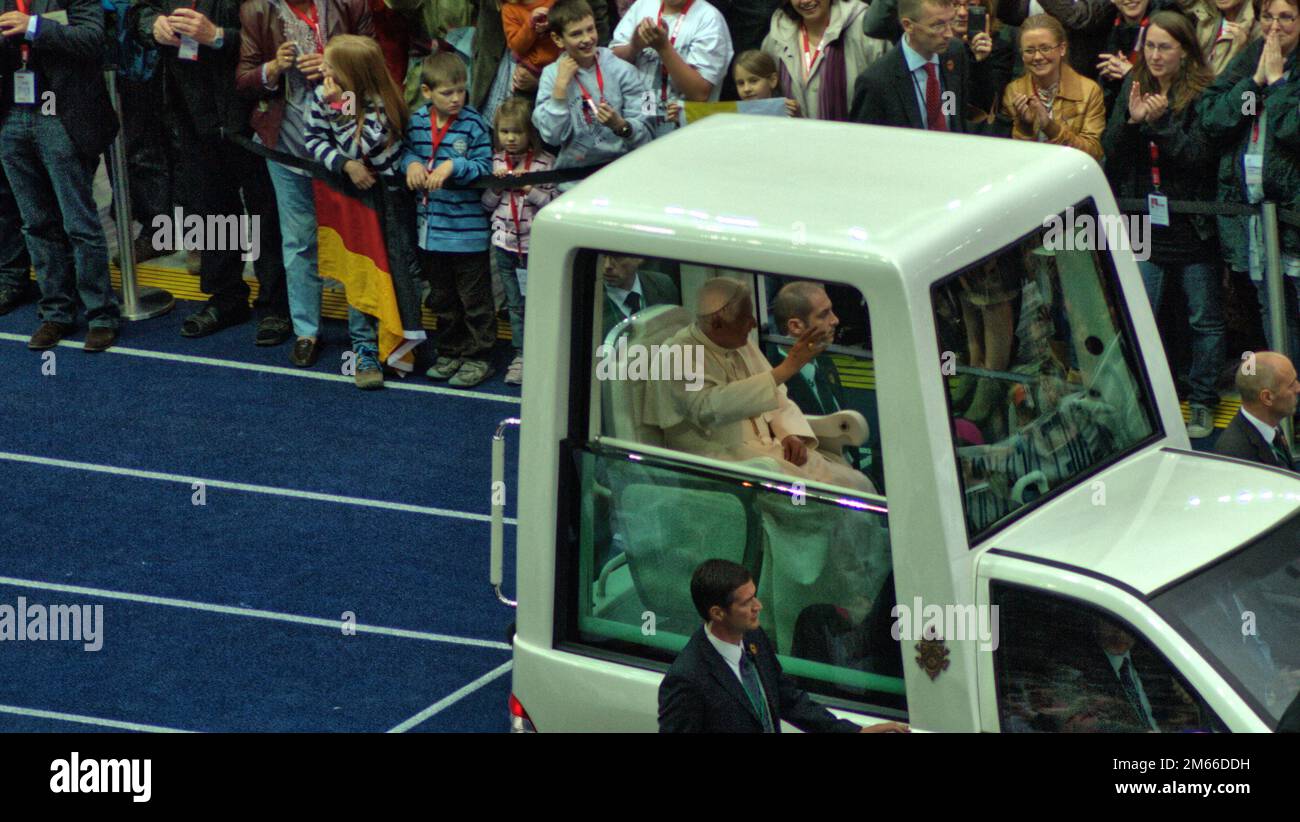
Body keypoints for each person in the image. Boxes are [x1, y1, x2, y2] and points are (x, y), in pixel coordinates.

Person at [140, 0, 293, 346]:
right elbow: (138, 10)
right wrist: (153, 25)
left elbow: (283, 37)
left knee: (265, 211)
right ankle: (226, 298)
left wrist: (220, 37)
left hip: (254, 110)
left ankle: (276, 304)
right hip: (190, 109)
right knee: (211, 210)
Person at [1102, 10, 1221, 438]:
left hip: (1192, 224)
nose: (1154, 55)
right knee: (1143, 314)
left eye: (1164, 47)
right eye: (1149, 45)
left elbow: (1197, 158)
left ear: (1185, 51)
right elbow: (1109, 154)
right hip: (1144, 223)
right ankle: (1150, 395)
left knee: (1203, 318)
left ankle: (1204, 399)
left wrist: (1163, 124)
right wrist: (1134, 123)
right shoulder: (1134, 86)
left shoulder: (1204, 94)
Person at [237, 0, 374, 367]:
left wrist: (336, 72)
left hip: (344, 145)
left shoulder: (350, 4)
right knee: (298, 241)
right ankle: (306, 331)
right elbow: (244, 79)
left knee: (352, 242)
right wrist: (273, 68)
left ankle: (363, 336)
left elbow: (376, 72)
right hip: (286, 145)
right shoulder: (257, 10)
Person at [645, 278, 877, 493]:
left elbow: (776, 395)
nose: (754, 323)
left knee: (859, 484)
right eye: (745, 318)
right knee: (822, 502)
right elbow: (709, 408)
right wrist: (786, 369)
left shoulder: (735, 339)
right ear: (717, 324)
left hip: (775, 449)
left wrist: (788, 434)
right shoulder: (678, 354)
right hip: (732, 463)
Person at [658, 558, 910, 733]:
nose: (758, 606)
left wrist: (854, 731)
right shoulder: (687, 679)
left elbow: (789, 699)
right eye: (746, 603)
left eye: (755, 595)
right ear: (718, 613)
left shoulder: (755, 640)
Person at [0, 0, 122, 352]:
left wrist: (33, 27)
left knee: (79, 223)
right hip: (11, 115)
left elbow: (91, 39)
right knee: (35, 223)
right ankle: (55, 312)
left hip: (60, 113)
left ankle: (101, 314)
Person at [303, 34, 409, 389]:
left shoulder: (382, 102)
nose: (324, 70)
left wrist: (342, 112)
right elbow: (313, 141)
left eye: (331, 65)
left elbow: (363, 145)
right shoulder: (321, 96)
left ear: (352, 73)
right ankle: (364, 350)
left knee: (396, 271)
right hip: (352, 198)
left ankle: (397, 344)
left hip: (390, 201)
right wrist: (347, 167)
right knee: (359, 272)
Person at [1198, 0, 1300, 360]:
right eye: (1267, 17)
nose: (1275, 26)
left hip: (1292, 217)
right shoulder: (1255, 54)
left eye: (1286, 17)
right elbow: (1215, 119)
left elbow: (1291, 129)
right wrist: (1254, 83)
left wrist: (1276, 83)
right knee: (1274, 316)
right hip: (1255, 218)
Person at [403, 52, 497, 387]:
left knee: (475, 302)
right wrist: (411, 164)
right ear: (427, 92)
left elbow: (486, 167)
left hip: (467, 233)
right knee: (442, 299)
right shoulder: (415, 121)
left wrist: (454, 166)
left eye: (461, 90)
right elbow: (408, 152)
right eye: (447, 92)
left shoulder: (473, 124)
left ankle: (479, 356)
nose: (456, 98)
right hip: (431, 231)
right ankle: (451, 351)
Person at [482, 97, 557, 385]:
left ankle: (544, 354)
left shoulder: (546, 163)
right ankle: (521, 356)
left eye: (517, 132)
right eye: (504, 132)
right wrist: (498, 186)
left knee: (541, 303)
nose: (511, 139)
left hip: (536, 247)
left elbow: (553, 204)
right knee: (514, 305)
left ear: (531, 133)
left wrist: (529, 189)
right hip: (504, 246)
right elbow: (487, 205)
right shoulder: (495, 161)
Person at [533, 0, 651, 181]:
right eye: (576, 34)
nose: (587, 39)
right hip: (574, 178)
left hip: (623, 172)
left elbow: (649, 127)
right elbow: (551, 137)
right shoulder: (551, 75)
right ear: (558, 39)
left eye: (590, 29)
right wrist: (559, 89)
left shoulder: (623, 69)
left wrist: (621, 126)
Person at [849, 0, 993, 132]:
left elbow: (955, 113)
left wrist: (980, 64)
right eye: (938, 26)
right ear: (908, 26)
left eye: (951, 21)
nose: (949, 34)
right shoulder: (876, 81)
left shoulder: (955, 53)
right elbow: (864, 144)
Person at [612, 0, 733, 136]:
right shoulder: (643, 5)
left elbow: (699, 93)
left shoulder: (709, 18)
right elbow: (612, 64)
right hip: (645, 108)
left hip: (688, 129)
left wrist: (664, 48)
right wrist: (634, 47)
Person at [999, 14, 1105, 161]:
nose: (1037, 57)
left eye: (1045, 48)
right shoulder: (1014, 91)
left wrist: (1051, 128)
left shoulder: (1089, 91)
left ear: (1062, 49)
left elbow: (1094, 153)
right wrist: (1025, 127)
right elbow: (1010, 155)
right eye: (1029, 51)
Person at [761, 0, 887, 122]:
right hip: (796, 139)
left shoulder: (865, 29)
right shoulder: (776, 37)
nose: (805, 1)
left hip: (857, 138)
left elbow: (886, 93)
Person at [1214, 351, 1299, 471]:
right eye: (1291, 385)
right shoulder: (1235, 455)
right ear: (1267, 398)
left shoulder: (1271, 423)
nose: (1298, 388)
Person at [598, 252, 679, 338]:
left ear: (639, 258)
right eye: (603, 256)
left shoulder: (663, 285)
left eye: (618, 257)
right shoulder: (591, 297)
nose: (607, 266)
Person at [503, 0, 561, 89]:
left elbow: (570, 25)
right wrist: (531, 23)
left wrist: (551, 23)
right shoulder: (510, 9)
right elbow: (517, 47)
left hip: (560, 66)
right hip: (531, 70)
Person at [732, 48, 798, 115]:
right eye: (741, 83)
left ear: (772, 80)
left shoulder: (786, 110)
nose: (746, 89)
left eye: (753, 81)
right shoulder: (734, 115)